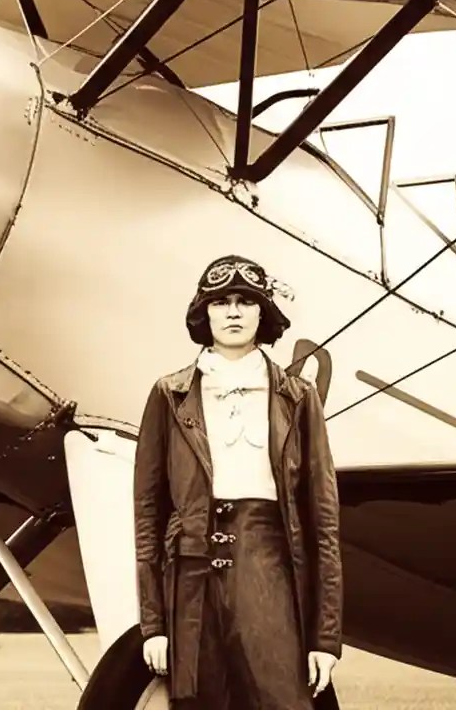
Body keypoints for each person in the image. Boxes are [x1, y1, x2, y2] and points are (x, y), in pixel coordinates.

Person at [132, 254, 343, 709]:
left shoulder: (297, 397)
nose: (232, 312)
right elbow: (148, 516)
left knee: (282, 700)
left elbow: (323, 521)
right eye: (221, 301)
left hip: (270, 570)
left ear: (262, 313)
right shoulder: (169, 395)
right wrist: (153, 625)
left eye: (245, 301)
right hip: (191, 580)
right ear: (203, 312)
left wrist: (325, 637)